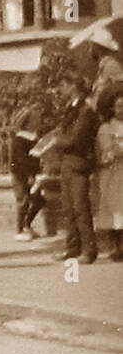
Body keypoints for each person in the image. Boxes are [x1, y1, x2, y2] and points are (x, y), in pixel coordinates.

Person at [54, 77, 100, 263]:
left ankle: (89, 251)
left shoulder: (85, 110)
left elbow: (76, 139)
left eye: (63, 85)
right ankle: (72, 248)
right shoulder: (71, 108)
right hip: (67, 163)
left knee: (81, 207)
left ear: (74, 86)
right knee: (68, 209)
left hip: (79, 163)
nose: (61, 89)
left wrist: (57, 141)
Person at [93, 88, 123, 261]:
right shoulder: (106, 128)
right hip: (112, 174)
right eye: (118, 106)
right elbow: (107, 152)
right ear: (113, 108)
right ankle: (114, 246)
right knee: (113, 208)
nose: (122, 109)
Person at [9, 104, 44, 241]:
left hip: (32, 174)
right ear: (27, 122)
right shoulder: (19, 139)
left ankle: (27, 224)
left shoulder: (34, 138)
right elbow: (22, 160)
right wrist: (29, 175)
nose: (38, 122)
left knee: (38, 200)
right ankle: (19, 229)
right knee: (23, 200)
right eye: (35, 119)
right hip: (20, 174)